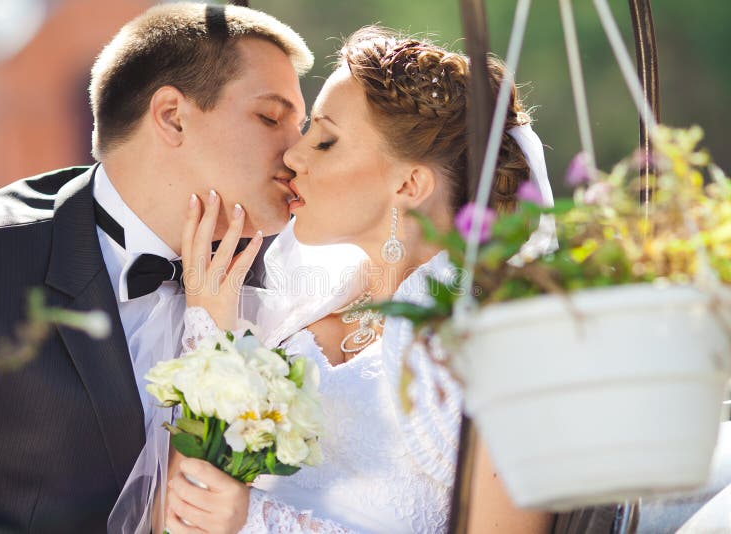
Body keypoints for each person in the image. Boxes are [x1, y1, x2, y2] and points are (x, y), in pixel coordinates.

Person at [137, 27, 558, 533]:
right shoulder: (300, 314)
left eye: (326, 140)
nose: (293, 157)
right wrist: (213, 336)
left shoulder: (487, 351)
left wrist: (258, 522)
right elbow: (175, 517)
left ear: (409, 184)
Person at [0, 3, 312, 532]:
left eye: (305, 126)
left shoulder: (298, 282)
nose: (299, 154)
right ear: (172, 117)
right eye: (271, 117)